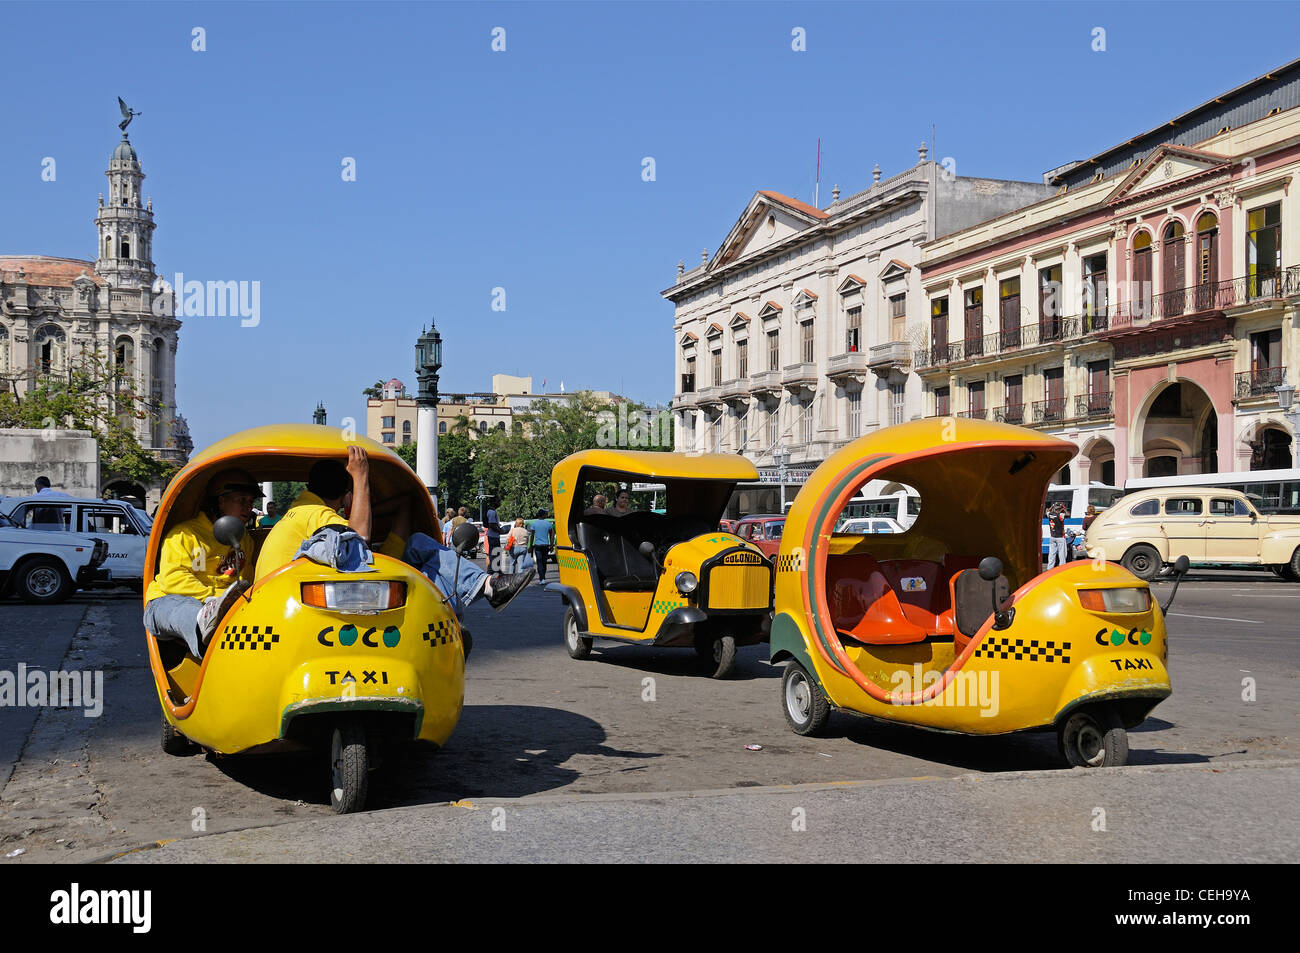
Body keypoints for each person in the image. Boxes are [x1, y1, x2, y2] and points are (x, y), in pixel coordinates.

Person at [254, 448, 532, 614]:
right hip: (305, 606)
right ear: (346, 496)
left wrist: (368, 503)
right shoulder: (318, 516)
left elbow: (405, 504)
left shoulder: (300, 514)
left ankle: (482, 589)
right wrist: (361, 476)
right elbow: (360, 538)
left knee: (419, 544)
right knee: (428, 577)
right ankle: (480, 593)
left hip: (301, 598)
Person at [143, 469, 259, 657]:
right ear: (221, 500)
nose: (248, 507)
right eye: (242, 500)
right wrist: (214, 599)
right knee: (189, 612)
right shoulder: (185, 534)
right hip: (170, 602)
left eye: (251, 502)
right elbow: (173, 580)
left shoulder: (244, 540)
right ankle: (208, 636)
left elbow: (246, 578)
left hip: (223, 607)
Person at [527, 508, 555, 583]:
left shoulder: (534, 524)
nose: (546, 515)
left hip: (537, 546)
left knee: (539, 562)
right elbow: (552, 535)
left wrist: (530, 546)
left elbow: (532, 536)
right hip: (546, 545)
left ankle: (541, 578)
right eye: (545, 514)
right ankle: (543, 578)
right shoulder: (548, 524)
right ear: (543, 515)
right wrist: (551, 545)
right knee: (544, 562)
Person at [1047, 502, 1068, 569]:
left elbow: (1048, 511)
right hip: (1060, 537)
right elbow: (1068, 514)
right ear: (1059, 509)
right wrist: (1064, 508)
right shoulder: (1060, 515)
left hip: (1052, 537)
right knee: (1062, 554)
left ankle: (1049, 568)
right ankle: (1062, 567)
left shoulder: (1050, 514)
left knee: (1051, 554)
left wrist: (1052, 506)